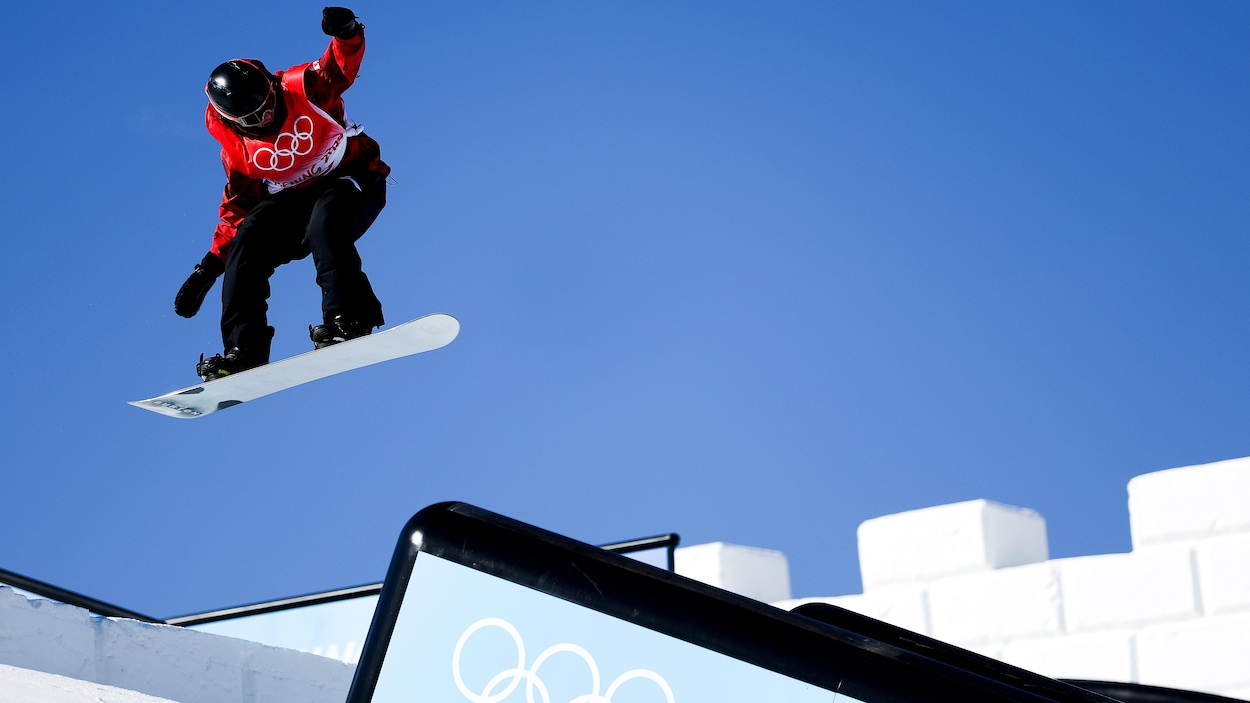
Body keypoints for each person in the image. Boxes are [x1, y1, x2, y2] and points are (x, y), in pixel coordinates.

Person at [174, 6, 390, 381]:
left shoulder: (303, 87)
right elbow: (237, 208)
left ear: (273, 88)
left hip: (352, 178)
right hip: (293, 204)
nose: (265, 118)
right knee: (250, 238)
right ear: (232, 122)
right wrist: (207, 269)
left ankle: (348, 317)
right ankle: (244, 350)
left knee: (328, 220)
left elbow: (339, 66)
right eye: (252, 119)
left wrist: (348, 33)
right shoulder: (238, 151)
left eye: (267, 105)